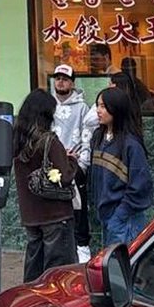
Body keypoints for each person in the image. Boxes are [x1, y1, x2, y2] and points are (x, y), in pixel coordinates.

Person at [13, 88, 78, 282]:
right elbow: (64, 176)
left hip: (31, 215)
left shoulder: (16, 140)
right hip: (55, 215)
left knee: (33, 272)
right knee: (57, 275)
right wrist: (71, 160)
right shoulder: (49, 141)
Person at [91, 88, 153, 244]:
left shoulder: (131, 145)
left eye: (103, 106)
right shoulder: (98, 138)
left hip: (125, 220)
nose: (98, 110)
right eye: (97, 105)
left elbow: (140, 185)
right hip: (106, 216)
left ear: (116, 108)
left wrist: (120, 214)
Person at [50, 65, 91, 263]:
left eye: (65, 79)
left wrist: (82, 164)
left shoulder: (82, 108)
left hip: (74, 165)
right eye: (57, 78)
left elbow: (87, 136)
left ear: (72, 83)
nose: (60, 82)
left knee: (78, 207)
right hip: (52, 165)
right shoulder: (49, 106)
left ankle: (82, 247)